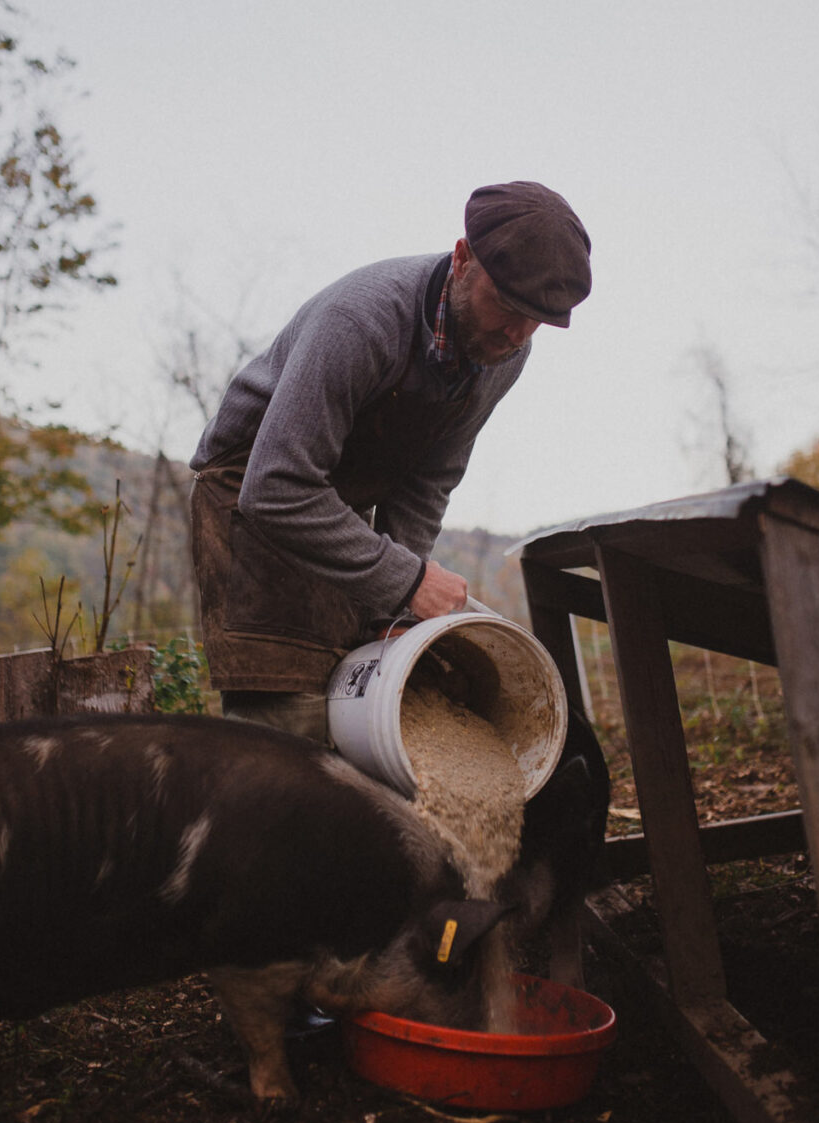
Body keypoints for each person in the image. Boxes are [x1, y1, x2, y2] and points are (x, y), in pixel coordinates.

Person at [189, 180, 592, 742]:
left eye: (538, 320)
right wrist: (406, 579)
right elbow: (275, 486)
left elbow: (429, 481)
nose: (517, 333)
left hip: (340, 511)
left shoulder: (506, 351)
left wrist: (394, 614)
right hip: (254, 498)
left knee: (367, 715)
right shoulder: (360, 320)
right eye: (506, 304)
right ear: (461, 258)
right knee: (293, 731)